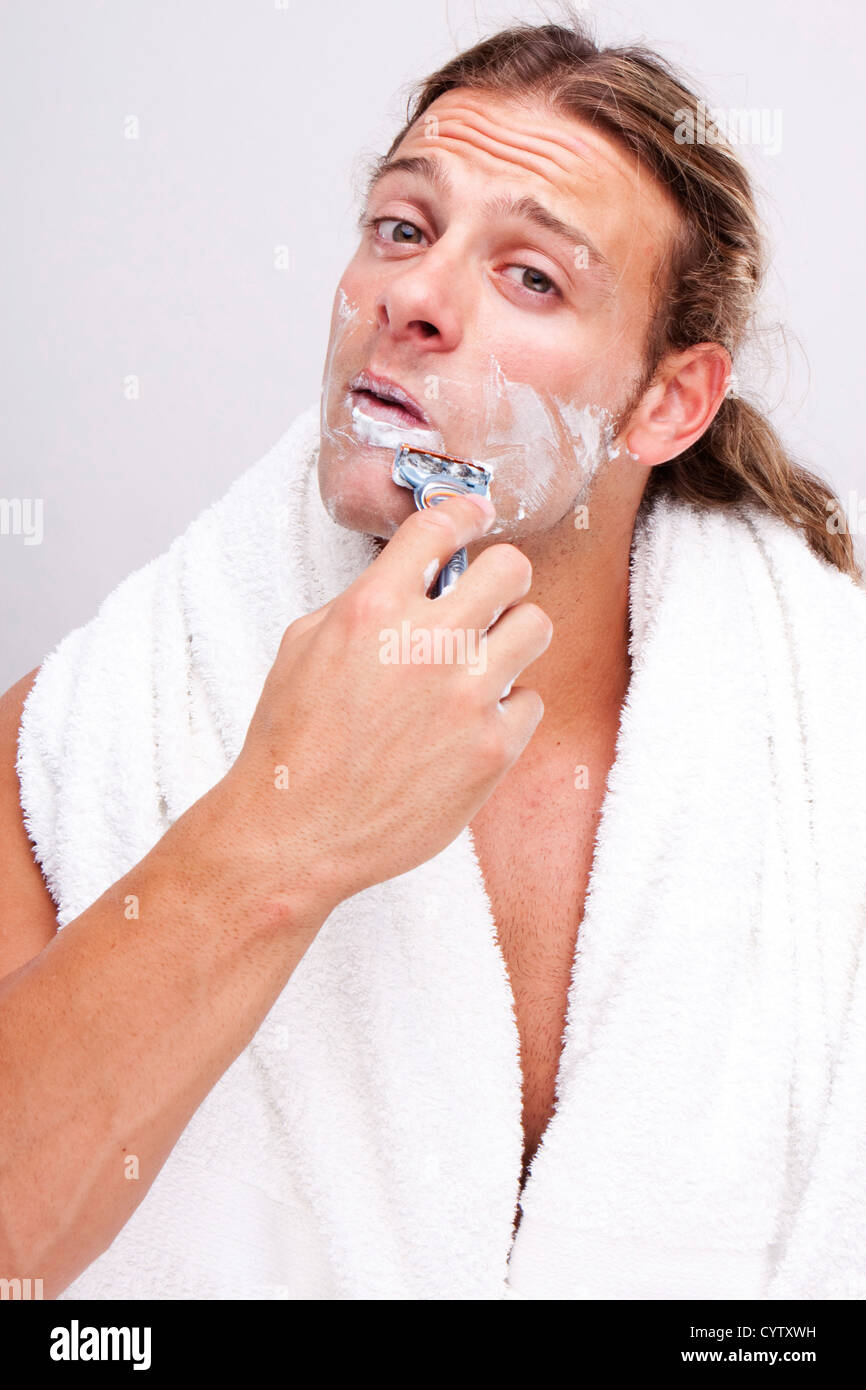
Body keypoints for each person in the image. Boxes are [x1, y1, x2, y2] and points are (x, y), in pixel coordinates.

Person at [1, 13, 864, 1301]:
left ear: (668, 402)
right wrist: (280, 826)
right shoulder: (78, 737)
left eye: (533, 276)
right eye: (403, 229)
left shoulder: (828, 752)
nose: (410, 296)